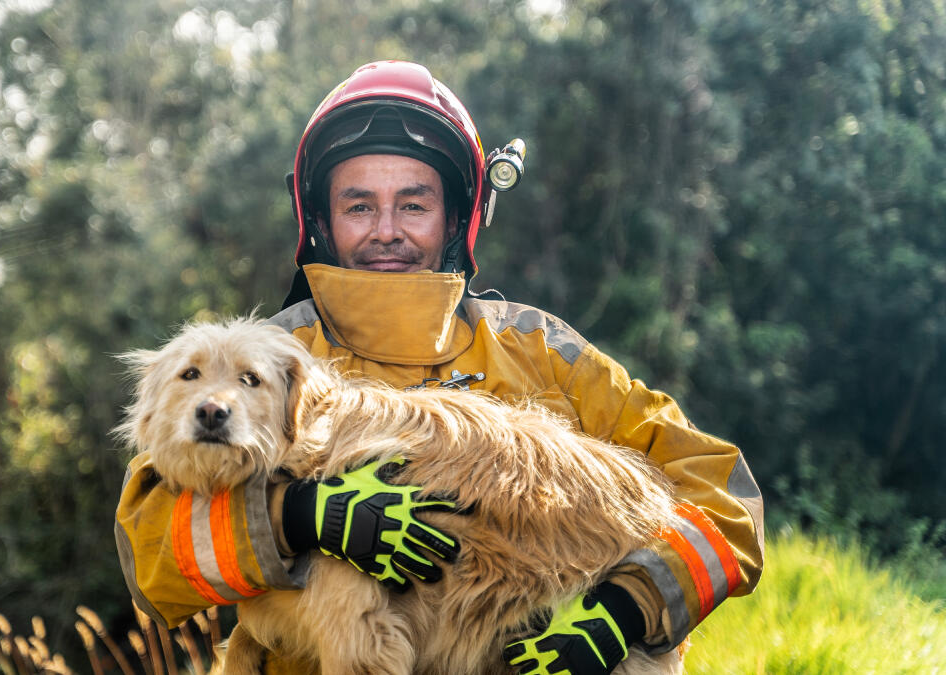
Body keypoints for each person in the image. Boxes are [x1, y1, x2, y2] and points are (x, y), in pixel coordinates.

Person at [115, 60, 764, 674]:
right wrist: (294, 514)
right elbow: (150, 552)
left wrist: (624, 610)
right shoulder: (265, 358)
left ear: (458, 217)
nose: (387, 229)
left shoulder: (539, 349)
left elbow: (724, 493)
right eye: (360, 205)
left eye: (414, 203)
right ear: (320, 219)